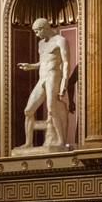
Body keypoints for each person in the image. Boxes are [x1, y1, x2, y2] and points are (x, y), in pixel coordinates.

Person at [16, 18, 70, 150]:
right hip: (42, 78)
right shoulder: (41, 44)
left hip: (53, 76)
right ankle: (28, 143)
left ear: (45, 28)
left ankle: (61, 142)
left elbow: (66, 62)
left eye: (37, 31)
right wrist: (31, 66)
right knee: (28, 110)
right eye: (34, 32)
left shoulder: (60, 40)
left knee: (52, 109)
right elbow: (43, 62)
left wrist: (64, 82)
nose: (36, 34)